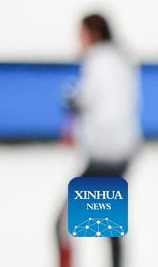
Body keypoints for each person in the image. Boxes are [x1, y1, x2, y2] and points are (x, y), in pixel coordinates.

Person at [56, 13, 141, 267]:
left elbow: (106, 111)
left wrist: (78, 112)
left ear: (93, 33)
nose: (78, 41)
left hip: (106, 154)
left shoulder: (100, 63)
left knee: (63, 223)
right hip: (120, 152)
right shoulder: (119, 61)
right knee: (106, 222)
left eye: (81, 34)